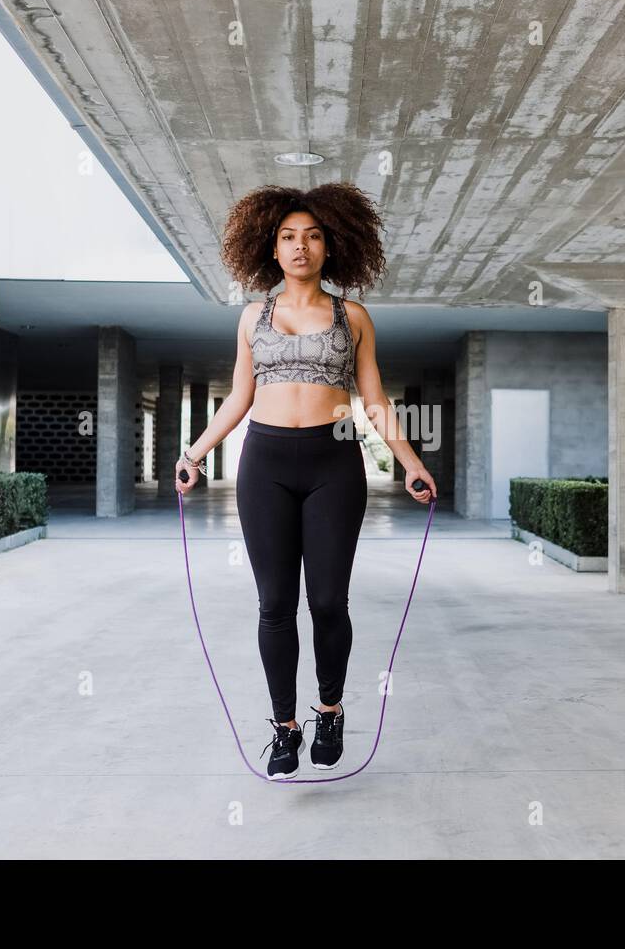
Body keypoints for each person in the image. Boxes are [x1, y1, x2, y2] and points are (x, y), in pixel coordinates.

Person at [175, 183, 438, 780]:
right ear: (271, 247)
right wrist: (193, 453)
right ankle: (285, 727)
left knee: (326, 601)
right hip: (264, 464)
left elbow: (373, 399)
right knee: (274, 604)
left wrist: (411, 462)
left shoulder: (353, 317)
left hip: (334, 463)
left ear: (330, 245)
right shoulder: (253, 317)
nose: (300, 247)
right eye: (289, 237)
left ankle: (330, 709)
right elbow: (239, 397)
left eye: (313, 236)